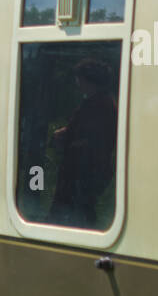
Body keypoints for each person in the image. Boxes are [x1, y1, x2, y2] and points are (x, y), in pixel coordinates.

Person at [49, 58, 118, 229]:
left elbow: (93, 139)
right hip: (84, 170)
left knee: (78, 213)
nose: (77, 83)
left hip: (84, 171)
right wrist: (68, 131)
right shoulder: (99, 103)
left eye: (80, 79)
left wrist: (66, 140)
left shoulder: (101, 105)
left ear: (90, 81)